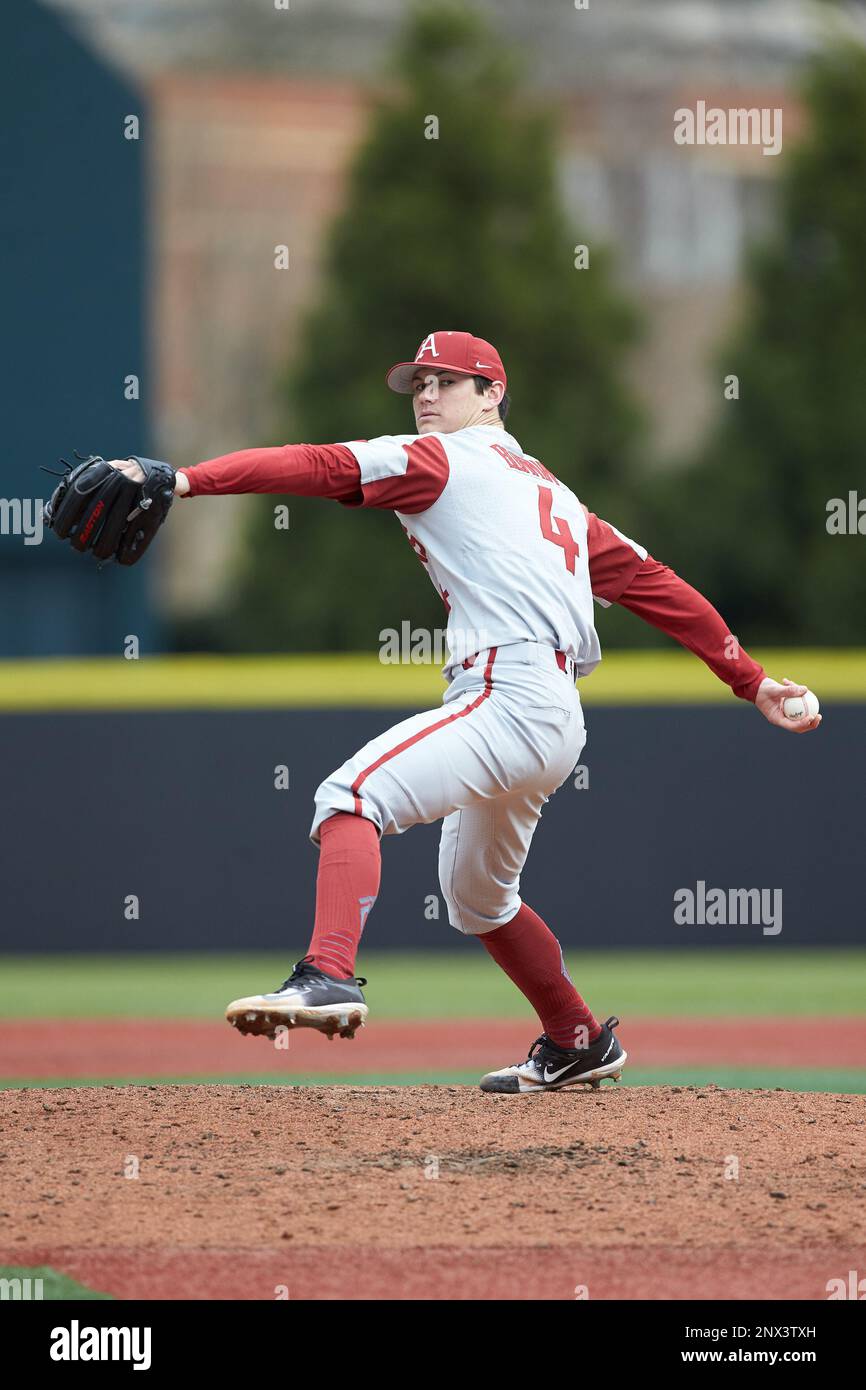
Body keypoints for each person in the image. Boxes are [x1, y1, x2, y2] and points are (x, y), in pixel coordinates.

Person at [110, 330, 821, 1094]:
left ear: (492, 396)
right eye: (418, 381)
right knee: (478, 898)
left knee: (350, 796)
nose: (424, 394)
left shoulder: (444, 460)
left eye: (447, 381)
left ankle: (327, 973)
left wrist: (182, 480)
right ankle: (576, 1039)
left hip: (507, 694)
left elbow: (319, 465)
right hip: (554, 716)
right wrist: (749, 680)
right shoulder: (556, 495)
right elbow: (656, 584)